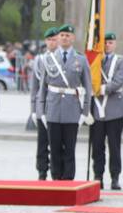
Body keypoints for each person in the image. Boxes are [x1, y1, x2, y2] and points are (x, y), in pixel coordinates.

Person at [37, 23, 92, 181]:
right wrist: (41, 111)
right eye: (62, 35)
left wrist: (85, 112)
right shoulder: (48, 59)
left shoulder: (80, 59)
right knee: (54, 148)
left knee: (69, 149)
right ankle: (56, 180)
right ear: (58, 38)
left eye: (68, 35)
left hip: (72, 109)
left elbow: (87, 87)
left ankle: (68, 180)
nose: (64, 37)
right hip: (53, 109)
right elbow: (43, 87)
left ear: (73, 38)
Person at [89, 32, 123, 190]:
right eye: (105, 43)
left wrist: (101, 88)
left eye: (110, 42)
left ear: (115, 44)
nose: (107, 45)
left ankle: (115, 177)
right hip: (97, 109)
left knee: (114, 146)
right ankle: (98, 176)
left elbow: (119, 80)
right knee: (97, 146)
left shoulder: (121, 61)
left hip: (114, 109)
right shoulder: (94, 60)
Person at [30, 28, 59, 178]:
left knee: (57, 142)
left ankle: (56, 171)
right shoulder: (40, 60)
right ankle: (42, 171)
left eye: (54, 39)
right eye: (49, 39)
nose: (51, 42)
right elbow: (35, 87)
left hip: (58, 106)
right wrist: (34, 110)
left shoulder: (63, 59)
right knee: (42, 142)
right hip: (43, 106)